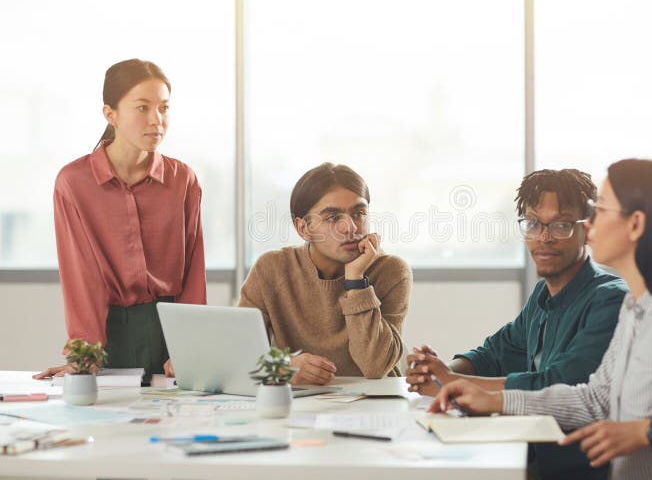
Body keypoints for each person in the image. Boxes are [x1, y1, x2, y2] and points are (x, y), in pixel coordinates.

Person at [430, 158, 652, 479]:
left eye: (599, 211)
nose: (589, 223)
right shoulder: (639, 305)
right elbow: (596, 400)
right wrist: (495, 399)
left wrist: (649, 432)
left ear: (635, 224)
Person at [406, 168, 627, 478]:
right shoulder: (543, 293)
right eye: (534, 223)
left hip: (579, 470)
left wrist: (452, 384)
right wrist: (441, 370)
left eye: (561, 225)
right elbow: (497, 352)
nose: (544, 237)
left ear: (587, 229)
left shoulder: (610, 299)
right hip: (533, 458)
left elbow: (561, 385)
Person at [34, 59, 206, 380]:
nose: (157, 120)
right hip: (108, 338)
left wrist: (189, 347)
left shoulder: (183, 179)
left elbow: (193, 270)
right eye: (143, 108)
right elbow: (80, 275)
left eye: (164, 108)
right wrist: (85, 353)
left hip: (171, 337)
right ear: (110, 114)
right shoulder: (74, 183)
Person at [238, 163, 411, 384]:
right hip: (302, 404)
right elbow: (240, 355)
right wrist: (283, 368)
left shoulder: (392, 271)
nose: (349, 227)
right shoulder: (271, 269)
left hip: (375, 402)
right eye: (332, 217)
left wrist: (356, 281)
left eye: (359, 213)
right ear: (303, 229)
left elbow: (374, 367)